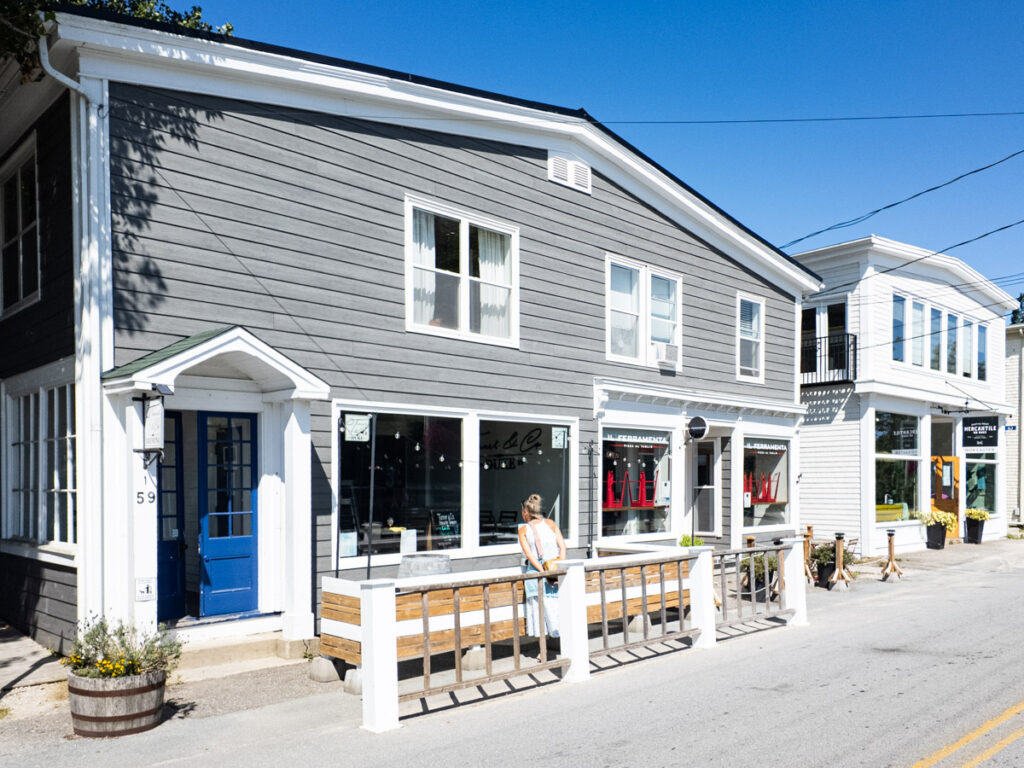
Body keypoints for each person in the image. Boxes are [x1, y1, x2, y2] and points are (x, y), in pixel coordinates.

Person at [518, 493, 567, 638]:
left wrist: (544, 573)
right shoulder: (551, 523)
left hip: (536, 575)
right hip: (555, 572)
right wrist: (557, 568)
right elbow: (562, 547)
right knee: (556, 611)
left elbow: (529, 555)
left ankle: (543, 647)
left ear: (526, 512)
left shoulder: (523, 530)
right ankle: (561, 640)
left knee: (539, 616)